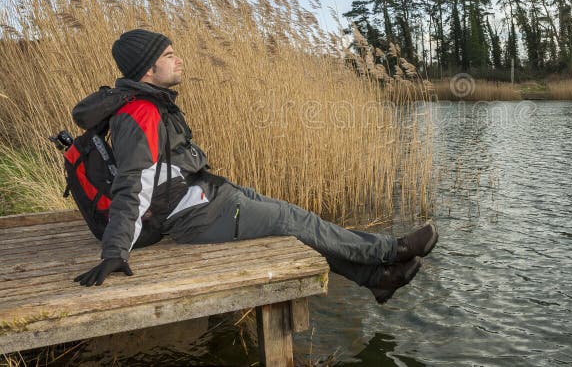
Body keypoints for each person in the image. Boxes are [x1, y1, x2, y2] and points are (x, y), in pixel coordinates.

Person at [74, 29, 438, 304]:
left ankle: (376, 278)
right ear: (148, 70)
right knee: (296, 222)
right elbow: (132, 185)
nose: (179, 59)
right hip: (192, 216)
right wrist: (114, 253)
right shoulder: (140, 112)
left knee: (294, 217)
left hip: (206, 194)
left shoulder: (149, 103)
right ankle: (390, 252)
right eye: (170, 55)